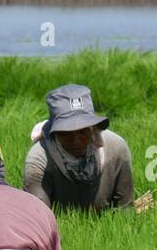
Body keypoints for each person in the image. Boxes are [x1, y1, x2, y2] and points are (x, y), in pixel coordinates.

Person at [24, 84, 146, 212]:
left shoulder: (116, 148)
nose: (76, 140)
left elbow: (125, 210)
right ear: (55, 133)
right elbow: (39, 218)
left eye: (83, 131)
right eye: (66, 133)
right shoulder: (39, 160)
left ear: (93, 128)